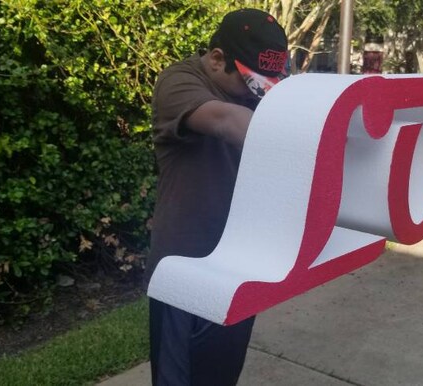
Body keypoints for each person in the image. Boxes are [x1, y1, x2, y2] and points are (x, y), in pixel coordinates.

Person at [147, 8, 289, 385]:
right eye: (251, 83)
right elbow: (228, 122)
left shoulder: (252, 92)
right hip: (185, 266)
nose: (257, 93)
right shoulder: (179, 81)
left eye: (266, 84)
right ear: (216, 59)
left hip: (237, 263)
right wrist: (302, 140)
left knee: (220, 376)